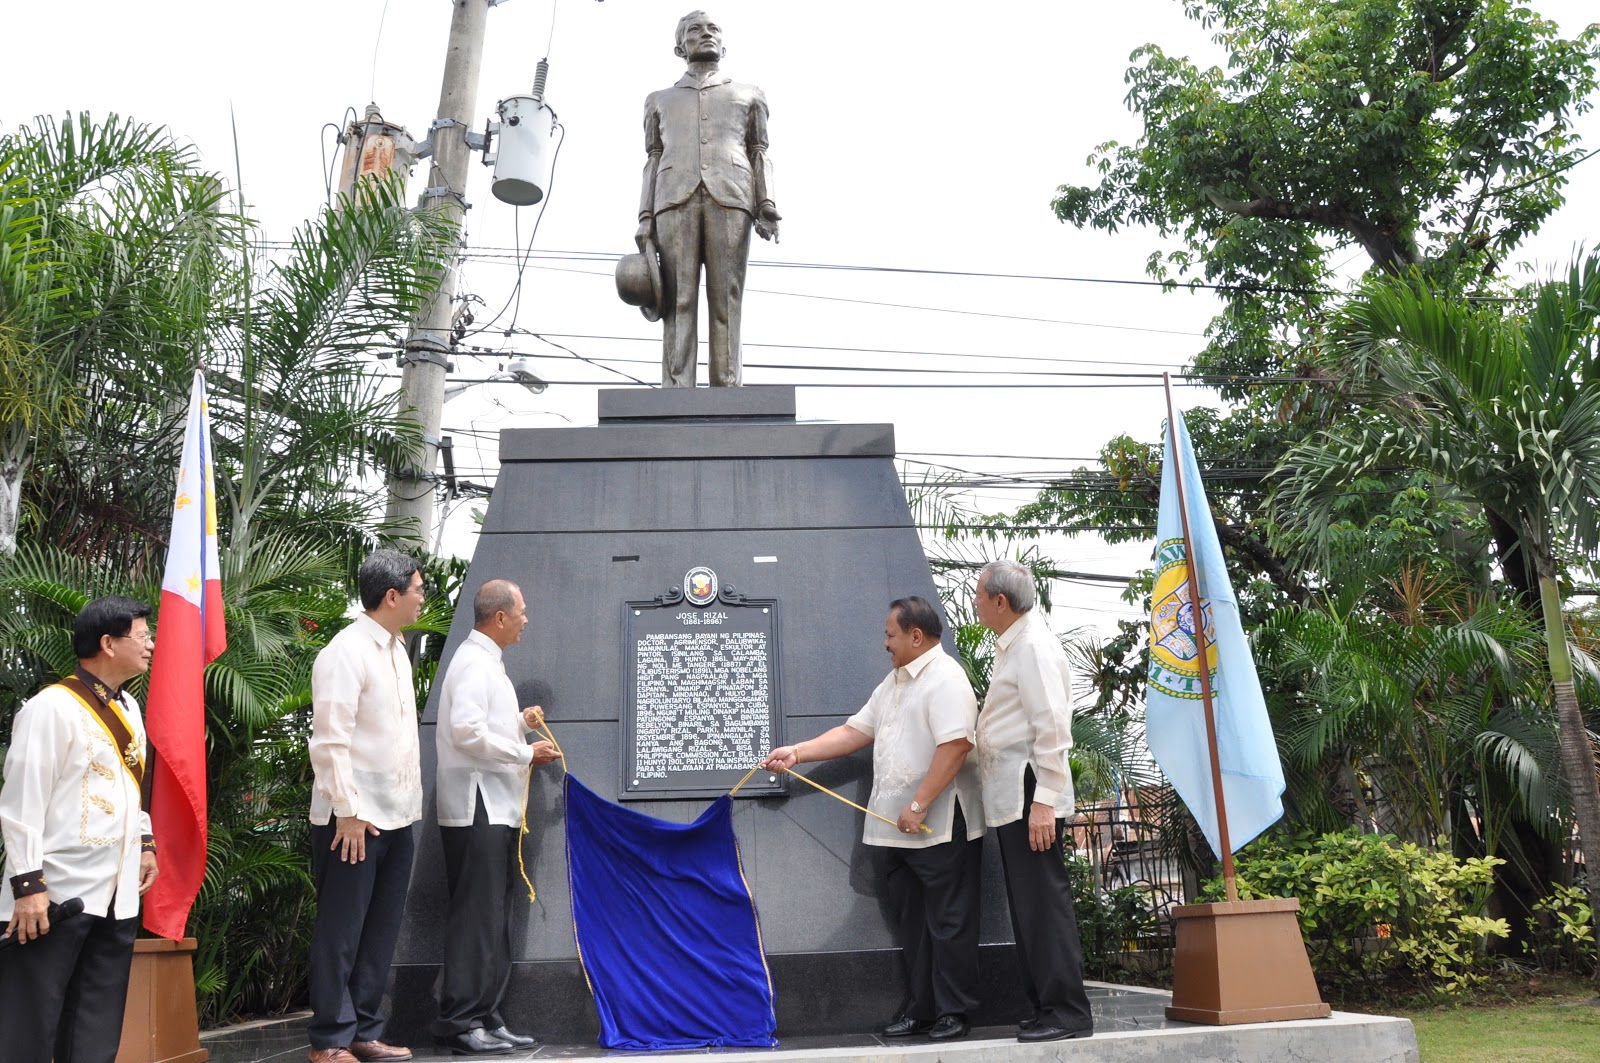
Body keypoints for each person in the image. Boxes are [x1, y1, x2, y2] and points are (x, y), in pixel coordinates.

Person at [761, 597, 983, 1042]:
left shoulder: (947, 679)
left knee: (949, 922)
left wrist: (918, 804)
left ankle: (953, 1013)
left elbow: (956, 746)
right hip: (894, 832)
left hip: (937, 826)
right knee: (913, 925)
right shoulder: (895, 681)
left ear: (915, 636)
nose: (885, 643)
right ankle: (920, 1009)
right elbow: (854, 731)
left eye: (890, 634)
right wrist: (797, 753)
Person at [0, 595, 160, 1063]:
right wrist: (28, 886)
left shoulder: (131, 708)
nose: (150, 645)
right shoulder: (50, 707)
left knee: (96, 1022)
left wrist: (145, 844)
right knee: (29, 1025)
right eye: (143, 635)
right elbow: (21, 801)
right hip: (55, 896)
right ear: (108, 643)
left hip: (117, 892)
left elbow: (133, 789)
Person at [305, 550, 427, 1063]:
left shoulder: (397, 649)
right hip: (353, 819)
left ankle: (364, 1031)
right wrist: (348, 811)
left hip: (398, 813)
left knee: (380, 928)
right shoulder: (345, 651)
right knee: (342, 930)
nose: (424, 598)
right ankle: (330, 1040)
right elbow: (330, 741)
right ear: (392, 595)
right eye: (418, 589)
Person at [431, 580, 560, 1055]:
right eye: (522, 612)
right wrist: (525, 752)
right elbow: (466, 733)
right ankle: (461, 1021)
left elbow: (482, 726)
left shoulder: (487, 664)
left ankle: (485, 1013)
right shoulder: (471, 663)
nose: (527, 619)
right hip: (476, 807)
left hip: (493, 806)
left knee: (491, 916)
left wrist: (519, 724)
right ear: (500, 617)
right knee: (476, 916)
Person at [973, 560, 1094, 1042]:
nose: (976, 603)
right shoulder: (1015, 644)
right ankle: (1047, 1006)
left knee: (1043, 903)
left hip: (1030, 790)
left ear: (1000, 602)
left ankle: (1067, 1013)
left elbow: (1052, 730)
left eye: (979, 595)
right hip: (1015, 792)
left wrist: (1043, 801)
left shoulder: (1034, 646)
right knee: (1028, 905)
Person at [636, 10, 781, 387]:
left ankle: (727, 389)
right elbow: (652, 157)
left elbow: (759, 150)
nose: (706, 35)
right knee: (677, 301)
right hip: (672, 198)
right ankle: (676, 390)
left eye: (713, 29)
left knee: (726, 301)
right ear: (679, 46)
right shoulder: (658, 100)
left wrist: (766, 203)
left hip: (732, 196)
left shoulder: (749, 95)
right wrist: (644, 216)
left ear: (724, 43)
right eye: (695, 30)